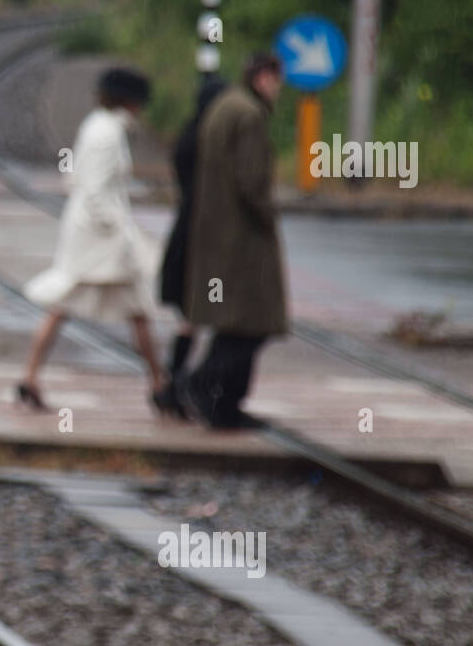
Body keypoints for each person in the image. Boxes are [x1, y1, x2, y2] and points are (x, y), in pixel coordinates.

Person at [17, 67, 168, 410]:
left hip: (94, 235)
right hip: (100, 239)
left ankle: (30, 377)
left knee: (115, 306)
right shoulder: (108, 134)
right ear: (131, 102)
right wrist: (120, 229)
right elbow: (95, 190)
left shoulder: (96, 126)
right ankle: (159, 384)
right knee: (124, 307)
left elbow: (73, 178)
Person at [178, 52, 287, 429]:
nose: (279, 88)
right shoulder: (249, 115)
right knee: (253, 324)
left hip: (217, 234)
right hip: (242, 239)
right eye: (276, 79)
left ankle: (223, 407)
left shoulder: (225, 106)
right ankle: (203, 385)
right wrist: (270, 213)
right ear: (261, 78)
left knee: (234, 325)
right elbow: (252, 180)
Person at [152, 73, 229, 417]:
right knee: (200, 313)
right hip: (200, 237)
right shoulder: (207, 140)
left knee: (192, 315)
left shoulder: (188, 134)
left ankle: (175, 384)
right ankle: (182, 385)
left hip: (186, 232)